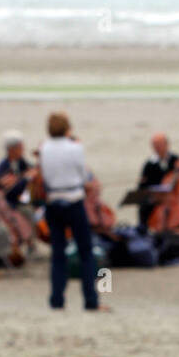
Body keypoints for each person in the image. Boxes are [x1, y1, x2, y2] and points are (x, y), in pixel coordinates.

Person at [38, 112, 101, 310]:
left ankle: (57, 299)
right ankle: (90, 300)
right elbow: (84, 176)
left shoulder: (44, 149)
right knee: (86, 252)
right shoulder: (75, 148)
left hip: (54, 201)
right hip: (73, 200)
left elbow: (45, 176)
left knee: (58, 253)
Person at [137, 133, 179, 229]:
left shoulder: (177, 160)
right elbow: (142, 186)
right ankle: (145, 234)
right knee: (143, 207)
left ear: (167, 144)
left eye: (159, 145)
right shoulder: (149, 164)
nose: (157, 148)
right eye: (155, 145)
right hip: (158, 199)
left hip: (176, 198)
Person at [0, 132, 34, 250]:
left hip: (23, 199)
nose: (22, 150)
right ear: (11, 149)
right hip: (10, 203)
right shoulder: (3, 166)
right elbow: (5, 190)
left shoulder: (23, 163)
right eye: (20, 147)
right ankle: (29, 243)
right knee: (27, 212)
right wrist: (25, 179)